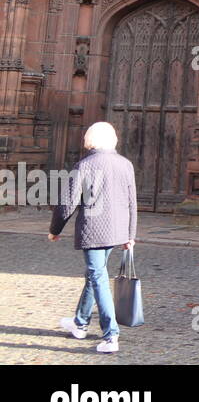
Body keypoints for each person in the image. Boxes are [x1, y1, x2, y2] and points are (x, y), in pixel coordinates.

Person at [47, 121, 138, 354]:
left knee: (98, 277)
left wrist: (55, 230)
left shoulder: (85, 165)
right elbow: (132, 203)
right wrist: (130, 235)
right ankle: (80, 323)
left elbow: (67, 204)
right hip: (116, 230)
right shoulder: (125, 164)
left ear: (90, 139)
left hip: (94, 230)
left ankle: (111, 336)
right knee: (94, 274)